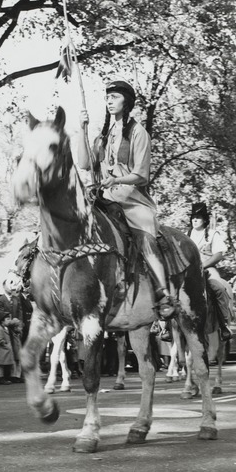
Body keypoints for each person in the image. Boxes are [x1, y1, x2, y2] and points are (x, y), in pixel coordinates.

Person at [72, 79, 175, 317]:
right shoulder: (104, 135)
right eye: (107, 97)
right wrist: (82, 129)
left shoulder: (139, 133)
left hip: (132, 200)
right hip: (102, 197)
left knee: (146, 235)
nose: (109, 101)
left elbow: (141, 174)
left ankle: (163, 292)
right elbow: (86, 163)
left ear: (126, 102)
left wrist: (116, 180)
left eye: (115, 97)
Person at [188, 202, 235, 341]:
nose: (195, 220)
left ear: (205, 220)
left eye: (198, 217)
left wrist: (203, 265)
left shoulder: (213, 234)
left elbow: (219, 254)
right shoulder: (186, 235)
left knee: (219, 288)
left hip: (207, 268)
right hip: (188, 271)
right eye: (193, 217)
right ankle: (163, 326)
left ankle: (224, 324)